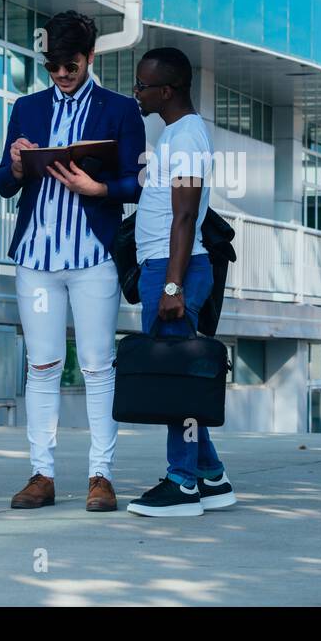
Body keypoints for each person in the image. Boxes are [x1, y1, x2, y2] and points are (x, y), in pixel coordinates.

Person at [0, 11, 145, 512]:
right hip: (36, 256)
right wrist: (16, 164)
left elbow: (138, 182)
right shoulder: (27, 108)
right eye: (54, 66)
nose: (62, 74)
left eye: (72, 65)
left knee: (99, 367)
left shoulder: (120, 110)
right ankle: (42, 474)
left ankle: (100, 476)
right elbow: (3, 185)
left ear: (91, 57)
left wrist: (98, 187)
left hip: (93, 255)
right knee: (41, 366)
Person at [126, 47, 236, 517]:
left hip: (176, 270)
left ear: (166, 90)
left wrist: (172, 285)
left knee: (177, 378)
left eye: (143, 86)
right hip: (164, 268)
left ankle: (183, 483)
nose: (137, 92)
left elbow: (186, 214)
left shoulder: (187, 136)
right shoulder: (175, 134)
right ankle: (210, 477)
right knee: (177, 379)